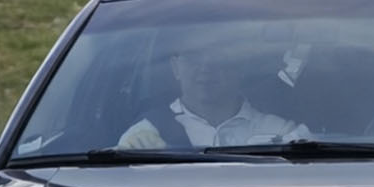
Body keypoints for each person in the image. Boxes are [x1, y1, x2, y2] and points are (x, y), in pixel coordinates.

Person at [118, 41, 309, 149]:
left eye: (219, 58)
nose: (205, 68)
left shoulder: (282, 134)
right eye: (194, 57)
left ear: (239, 68)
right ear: (176, 67)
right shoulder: (144, 139)